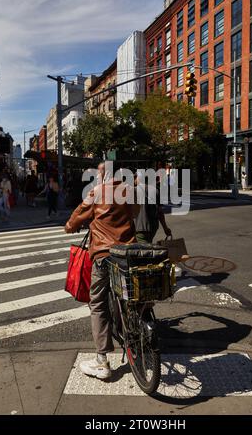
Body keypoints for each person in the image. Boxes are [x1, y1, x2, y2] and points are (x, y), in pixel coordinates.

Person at [65, 162, 139, 380]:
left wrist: (69, 226)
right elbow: (135, 213)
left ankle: (102, 360)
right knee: (130, 294)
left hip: (103, 254)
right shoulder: (130, 191)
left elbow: (77, 216)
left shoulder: (96, 192)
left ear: (103, 175)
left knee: (97, 303)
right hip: (127, 252)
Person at [134, 172, 171, 244]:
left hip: (139, 228)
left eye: (135, 178)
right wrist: (165, 228)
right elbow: (160, 212)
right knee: (147, 245)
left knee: (144, 250)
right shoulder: (155, 190)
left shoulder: (133, 191)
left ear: (137, 178)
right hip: (152, 227)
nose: (134, 180)